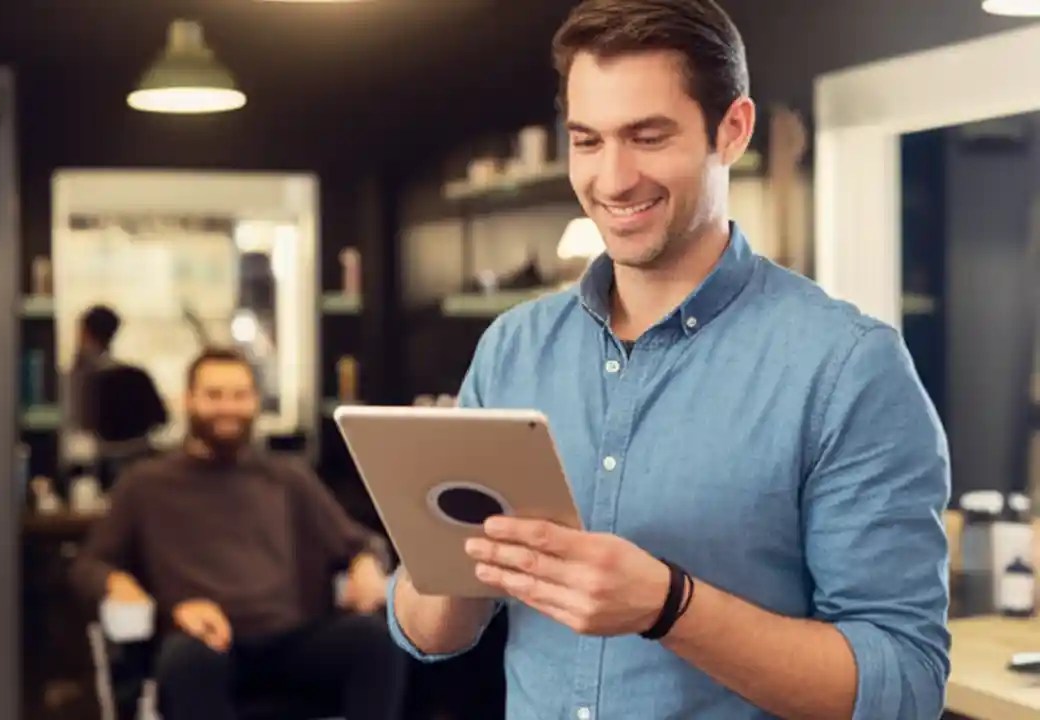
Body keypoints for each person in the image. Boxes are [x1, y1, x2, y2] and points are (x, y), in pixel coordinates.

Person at [388, 2, 951, 719]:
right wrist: (437, 542)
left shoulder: (847, 368)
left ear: (733, 130)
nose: (613, 179)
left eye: (648, 137)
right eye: (586, 141)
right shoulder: (513, 347)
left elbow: (903, 685)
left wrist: (669, 605)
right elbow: (429, 635)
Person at [72, 347, 405, 720]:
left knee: (375, 641)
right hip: (203, 642)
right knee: (187, 660)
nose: (228, 407)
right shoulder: (145, 485)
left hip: (292, 641)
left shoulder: (287, 477)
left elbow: (360, 541)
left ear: (255, 401)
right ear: (188, 401)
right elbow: (89, 564)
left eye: (239, 395)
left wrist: (365, 562)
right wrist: (120, 583)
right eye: (214, 395)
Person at [68, 304, 167, 488]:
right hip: (141, 461)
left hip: (102, 467)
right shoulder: (137, 376)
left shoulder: (83, 379)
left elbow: (81, 425)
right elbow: (161, 419)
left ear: (85, 333)